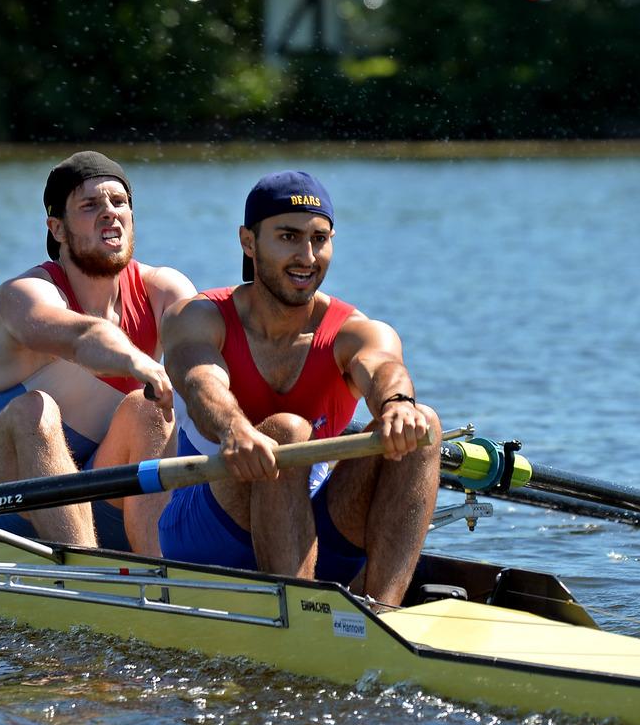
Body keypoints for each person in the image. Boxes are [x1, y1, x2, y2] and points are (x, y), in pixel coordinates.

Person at [157, 171, 440, 606]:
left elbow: (384, 369)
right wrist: (235, 429)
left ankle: (382, 610)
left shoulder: (354, 331)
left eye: (319, 239)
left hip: (314, 528)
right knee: (286, 431)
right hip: (210, 529)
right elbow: (200, 383)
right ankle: (303, 614)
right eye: (288, 237)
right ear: (248, 242)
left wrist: (398, 404)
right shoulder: (197, 318)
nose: (307, 256)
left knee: (424, 426)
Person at [0, 151, 195, 553]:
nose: (110, 213)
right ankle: (87, 576)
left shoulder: (163, 289)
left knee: (150, 407)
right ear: (58, 229)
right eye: (90, 206)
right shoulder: (24, 294)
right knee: (35, 409)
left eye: (119, 203)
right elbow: (81, 338)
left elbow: (207, 351)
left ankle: (164, 575)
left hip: (104, 491)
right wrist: (137, 360)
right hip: (8, 498)